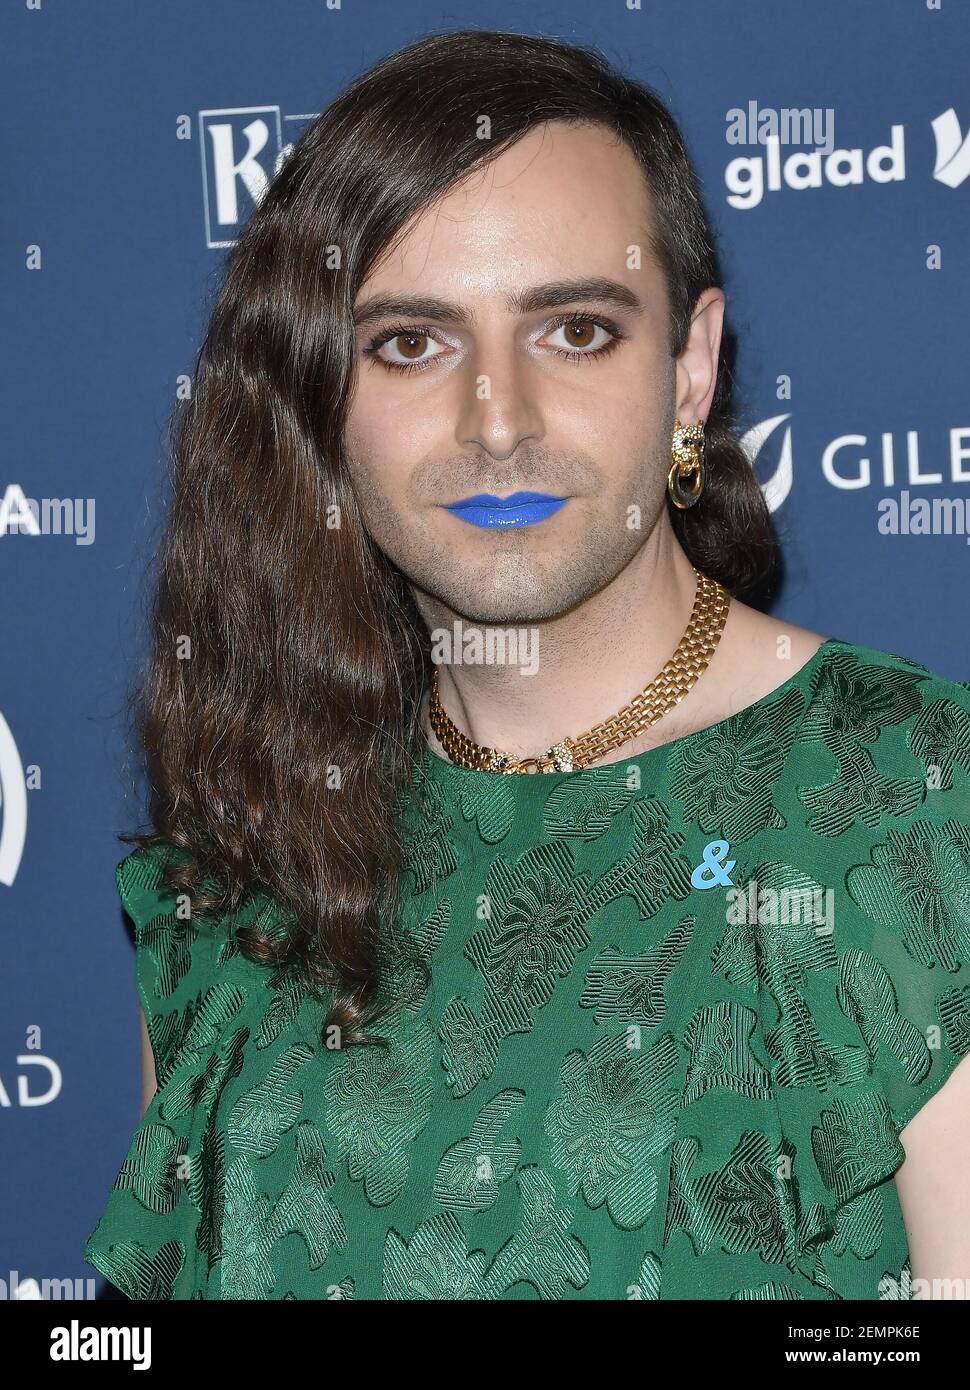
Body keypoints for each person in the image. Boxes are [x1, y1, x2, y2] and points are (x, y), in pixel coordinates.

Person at [84, 29, 970, 1300]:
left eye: (573, 330)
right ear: (322, 399)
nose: (496, 419)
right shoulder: (245, 859)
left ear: (690, 367)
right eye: (410, 343)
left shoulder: (916, 802)